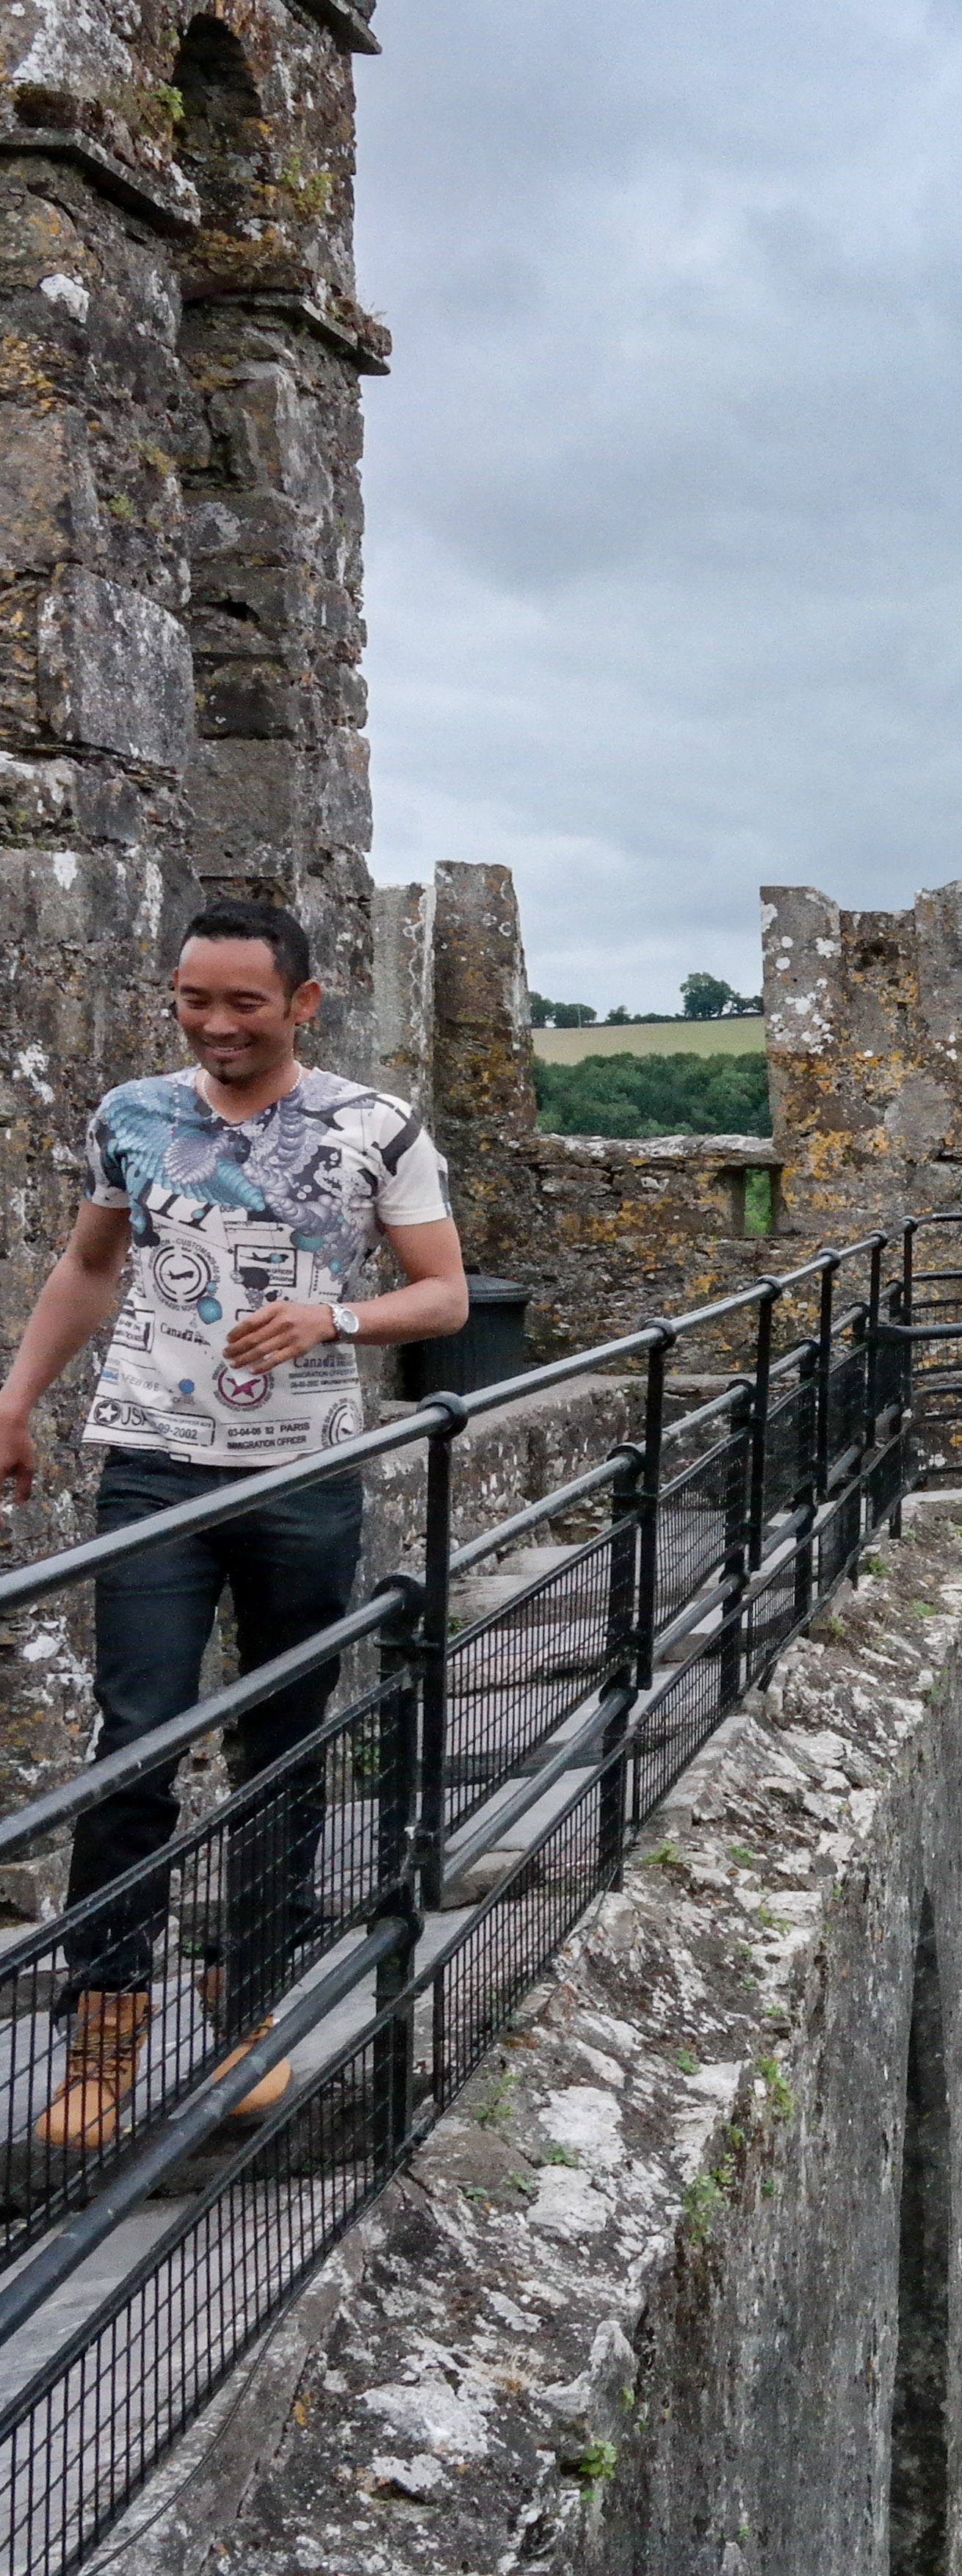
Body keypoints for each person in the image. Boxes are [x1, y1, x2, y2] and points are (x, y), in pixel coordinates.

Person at [0, 901, 472, 2152]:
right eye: (194, 1000)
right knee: (135, 1742)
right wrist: (17, 1396)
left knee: (281, 1741)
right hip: (152, 1466)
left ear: (301, 1003)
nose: (214, 1025)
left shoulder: (375, 1129)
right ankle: (102, 2035)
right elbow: (90, 1266)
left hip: (304, 1476)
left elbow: (444, 1293)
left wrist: (338, 1322)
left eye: (242, 1003)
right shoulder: (132, 1117)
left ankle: (246, 2019)